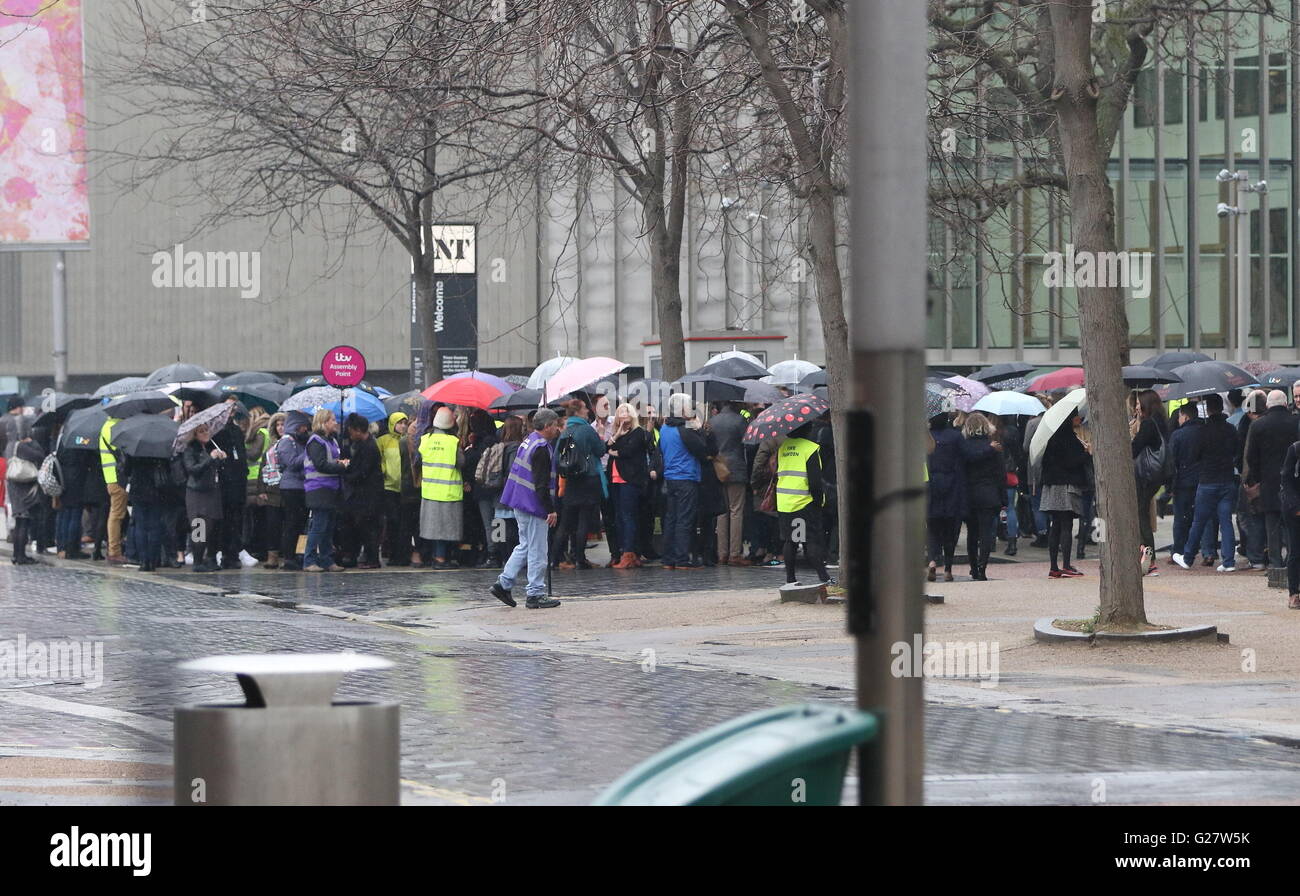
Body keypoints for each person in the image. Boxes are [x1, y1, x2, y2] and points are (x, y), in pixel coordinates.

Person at [491, 408, 562, 609]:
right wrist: (551, 509)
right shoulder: (541, 448)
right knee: (538, 549)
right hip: (534, 504)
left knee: (525, 545)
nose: (557, 429)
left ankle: (503, 583)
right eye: (555, 425)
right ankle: (535, 593)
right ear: (547, 426)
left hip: (520, 500)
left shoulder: (529, 440)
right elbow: (541, 484)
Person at [1174, 394, 1241, 572]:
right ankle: (1228, 561)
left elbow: (1194, 455)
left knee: (1199, 521)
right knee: (1226, 521)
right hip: (1227, 480)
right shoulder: (1230, 429)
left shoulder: (1203, 431)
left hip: (1207, 481)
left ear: (1208, 409)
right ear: (1221, 408)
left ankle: (1187, 557)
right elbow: (1236, 451)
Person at [1243, 389, 1299, 570]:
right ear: (1285, 403)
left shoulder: (1258, 425)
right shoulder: (1296, 422)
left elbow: (1251, 456)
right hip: (1293, 481)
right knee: (1292, 525)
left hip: (1268, 480)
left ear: (1267, 405)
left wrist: (1258, 477)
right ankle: (1293, 560)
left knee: (1272, 524)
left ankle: (1275, 563)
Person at [775, 420, 832, 587]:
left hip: (785, 501)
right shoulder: (810, 448)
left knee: (791, 540)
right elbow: (815, 482)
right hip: (803, 503)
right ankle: (824, 577)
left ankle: (790, 579)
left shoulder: (783, 447)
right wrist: (818, 501)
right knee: (810, 540)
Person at [659, 393, 712, 570]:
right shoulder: (686, 429)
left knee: (671, 518)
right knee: (684, 519)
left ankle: (668, 558)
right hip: (686, 477)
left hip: (670, 477)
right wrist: (700, 431)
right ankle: (682, 558)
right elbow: (702, 450)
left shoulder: (665, 428)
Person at [552, 397, 606, 570]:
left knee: (566, 522)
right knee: (583, 520)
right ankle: (580, 558)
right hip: (588, 478)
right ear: (578, 411)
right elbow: (600, 450)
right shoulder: (587, 430)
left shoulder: (565, 432)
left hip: (571, 481)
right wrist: (601, 435)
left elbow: (556, 458)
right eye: (585, 408)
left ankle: (554, 560)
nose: (588, 411)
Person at [1040, 407, 1090, 578]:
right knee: (1066, 524)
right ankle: (1066, 564)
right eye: (1077, 417)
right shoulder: (1068, 437)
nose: (1080, 419)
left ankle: (1054, 566)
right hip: (1065, 485)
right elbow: (1071, 461)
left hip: (1051, 485)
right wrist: (1086, 453)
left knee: (1056, 524)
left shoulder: (1052, 437)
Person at [303, 409, 350, 572]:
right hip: (318, 488)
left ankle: (326, 559)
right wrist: (340, 466)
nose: (335, 422)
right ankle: (309, 560)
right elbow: (320, 464)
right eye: (332, 420)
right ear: (323, 422)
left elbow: (329, 460)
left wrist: (339, 462)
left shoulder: (332, 440)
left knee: (328, 526)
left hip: (331, 488)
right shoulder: (316, 441)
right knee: (318, 525)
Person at [418, 406, 465, 569]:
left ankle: (436, 557)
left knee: (435, 529)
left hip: (430, 490)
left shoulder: (425, 439)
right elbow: (461, 462)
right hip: (449, 492)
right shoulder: (453, 442)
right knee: (446, 530)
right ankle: (441, 559)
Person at [960, 412, 1004, 581]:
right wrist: (1002, 497)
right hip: (989, 492)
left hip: (969, 493)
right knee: (986, 532)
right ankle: (982, 566)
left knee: (972, 533)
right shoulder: (993, 446)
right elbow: (1000, 474)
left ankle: (973, 567)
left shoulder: (965, 446)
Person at [605, 402, 650, 569]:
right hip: (615, 479)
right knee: (619, 517)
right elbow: (606, 447)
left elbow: (627, 452)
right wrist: (616, 435)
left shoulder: (638, 433)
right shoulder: (619, 433)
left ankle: (629, 553)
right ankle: (626, 550)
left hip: (629, 480)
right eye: (619, 412)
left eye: (625, 412)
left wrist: (614, 452)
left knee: (628, 516)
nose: (622, 415)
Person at [1130, 389, 1169, 576]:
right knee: (1142, 513)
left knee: (1141, 515)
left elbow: (1133, 449)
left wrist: (1133, 432)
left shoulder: (1148, 425)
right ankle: (1146, 556)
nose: (1136, 407)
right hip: (1156, 476)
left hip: (1146, 477)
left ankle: (1149, 558)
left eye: (1138, 403)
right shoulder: (1161, 422)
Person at [339, 413, 384, 568]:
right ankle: (356, 555)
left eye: (351, 430)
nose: (350, 434)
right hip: (361, 496)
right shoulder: (359, 445)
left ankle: (372, 559)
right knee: (358, 527)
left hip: (369, 496)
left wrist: (346, 475)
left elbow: (363, 472)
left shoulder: (369, 447)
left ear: (358, 430)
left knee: (369, 528)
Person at [926, 411, 967, 583]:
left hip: (931, 484)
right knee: (951, 529)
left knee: (933, 527)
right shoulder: (956, 437)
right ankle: (949, 568)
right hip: (952, 485)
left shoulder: (927, 439)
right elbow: (965, 457)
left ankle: (933, 559)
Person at [1167, 403, 1208, 566]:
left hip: (1183, 481)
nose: (1178, 419)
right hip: (1203, 479)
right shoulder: (1204, 432)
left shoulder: (1178, 435)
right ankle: (1207, 551)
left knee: (1180, 519)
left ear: (1185, 416)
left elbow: (1172, 462)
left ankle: (1178, 550)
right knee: (1202, 517)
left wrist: (1170, 486)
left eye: (1180, 416)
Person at [710, 401, 749, 565]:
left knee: (722, 512)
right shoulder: (740, 420)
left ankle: (722, 553)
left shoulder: (712, 421)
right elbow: (747, 442)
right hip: (736, 469)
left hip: (718, 468)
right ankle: (734, 553)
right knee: (736, 511)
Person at [182, 423, 224, 572]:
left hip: (211, 492)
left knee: (211, 526)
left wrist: (219, 459)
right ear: (194, 434)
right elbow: (193, 469)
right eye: (201, 431)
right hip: (197, 493)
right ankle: (197, 560)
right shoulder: (190, 449)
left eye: (207, 430)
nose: (206, 433)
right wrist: (210, 459)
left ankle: (208, 558)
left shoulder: (208, 447)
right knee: (199, 526)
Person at [484, 415, 525, 566]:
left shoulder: (499, 446)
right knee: (513, 531)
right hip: (510, 496)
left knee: (499, 530)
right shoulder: (516, 447)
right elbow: (514, 472)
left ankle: (501, 557)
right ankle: (510, 559)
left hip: (497, 495)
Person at [378, 411, 417, 567]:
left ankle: (403, 554)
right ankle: (393, 553)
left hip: (406, 489)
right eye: (399, 423)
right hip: (390, 488)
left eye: (404, 423)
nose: (402, 426)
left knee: (405, 524)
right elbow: (379, 460)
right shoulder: (382, 441)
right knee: (393, 523)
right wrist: (384, 472)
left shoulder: (409, 441)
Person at [275, 410, 311, 571]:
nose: (305, 430)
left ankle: (298, 554)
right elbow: (291, 462)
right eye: (303, 426)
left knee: (300, 523)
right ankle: (289, 556)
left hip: (302, 486)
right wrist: (308, 453)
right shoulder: (286, 442)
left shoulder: (302, 441)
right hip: (291, 488)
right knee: (291, 523)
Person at [121, 449, 169, 573]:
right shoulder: (161, 449)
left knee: (140, 527)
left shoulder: (134, 450)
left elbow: (126, 470)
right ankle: (152, 561)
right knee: (154, 527)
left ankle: (143, 560)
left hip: (138, 490)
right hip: (156, 491)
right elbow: (167, 469)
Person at [212, 412, 249, 568]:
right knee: (201, 523)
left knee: (234, 520)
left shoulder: (236, 430)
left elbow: (241, 455)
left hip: (236, 483)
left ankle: (231, 554)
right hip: (213, 488)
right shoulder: (216, 433)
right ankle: (202, 554)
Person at [6, 436, 44, 564]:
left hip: (14, 487)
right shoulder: (22, 446)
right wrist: (33, 443)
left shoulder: (10, 444)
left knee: (19, 522)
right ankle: (21, 556)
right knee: (23, 522)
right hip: (23, 488)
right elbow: (39, 456)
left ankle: (17, 555)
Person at [257, 412, 286, 569]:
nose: (281, 427)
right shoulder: (270, 446)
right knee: (272, 525)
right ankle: (272, 556)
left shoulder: (291, 443)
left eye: (283, 424)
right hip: (272, 490)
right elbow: (263, 467)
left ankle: (288, 555)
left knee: (288, 524)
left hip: (287, 489)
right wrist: (261, 489)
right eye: (278, 425)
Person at [99, 411, 129, 565]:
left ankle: (114, 549)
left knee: (116, 514)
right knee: (117, 515)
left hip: (110, 476)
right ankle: (114, 551)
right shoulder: (117, 427)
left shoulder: (107, 425)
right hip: (118, 478)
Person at [54, 433, 88, 560]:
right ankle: (71, 548)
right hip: (77, 480)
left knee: (64, 515)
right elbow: (85, 459)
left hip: (64, 480)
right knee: (74, 515)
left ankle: (61, 547)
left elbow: (58, 458)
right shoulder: (83, 438)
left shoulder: (65, 438)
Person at [1277, 434, 1300, 608]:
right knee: (1295, 551)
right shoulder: (1295, 449)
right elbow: (1286, 479)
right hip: (1295, 508)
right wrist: (1296, 506)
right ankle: (1293, 593)